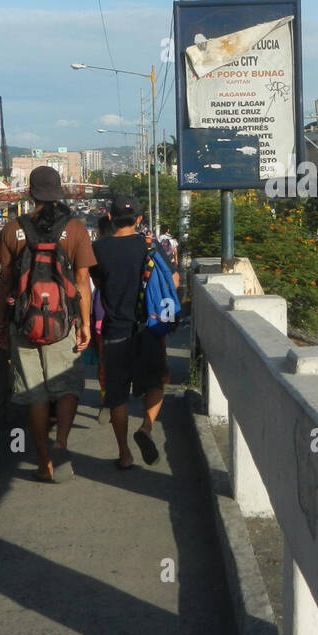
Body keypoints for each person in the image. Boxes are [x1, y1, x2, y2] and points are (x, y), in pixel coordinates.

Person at [0, 166, 95, 483]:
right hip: (63, 321)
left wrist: (1, 325)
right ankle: (61, 441)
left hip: (23, 323)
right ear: (59, 191)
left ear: (30, 192)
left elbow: (6, 283)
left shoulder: (13, 229)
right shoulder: (76, 229)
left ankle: (43, 461)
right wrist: (85, 324)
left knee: (35, 394)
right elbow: (82, 281)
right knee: (66, 386)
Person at [90, 196, 179, 470]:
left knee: (117, 396)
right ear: (139, 220)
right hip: (148, 329)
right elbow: (173, 278)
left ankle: (125, 453)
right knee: (156, 381)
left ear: (109, 218)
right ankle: (147, 428)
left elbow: (96, 284)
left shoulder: (98, 249)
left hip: (116, 330)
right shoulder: (149, 245)